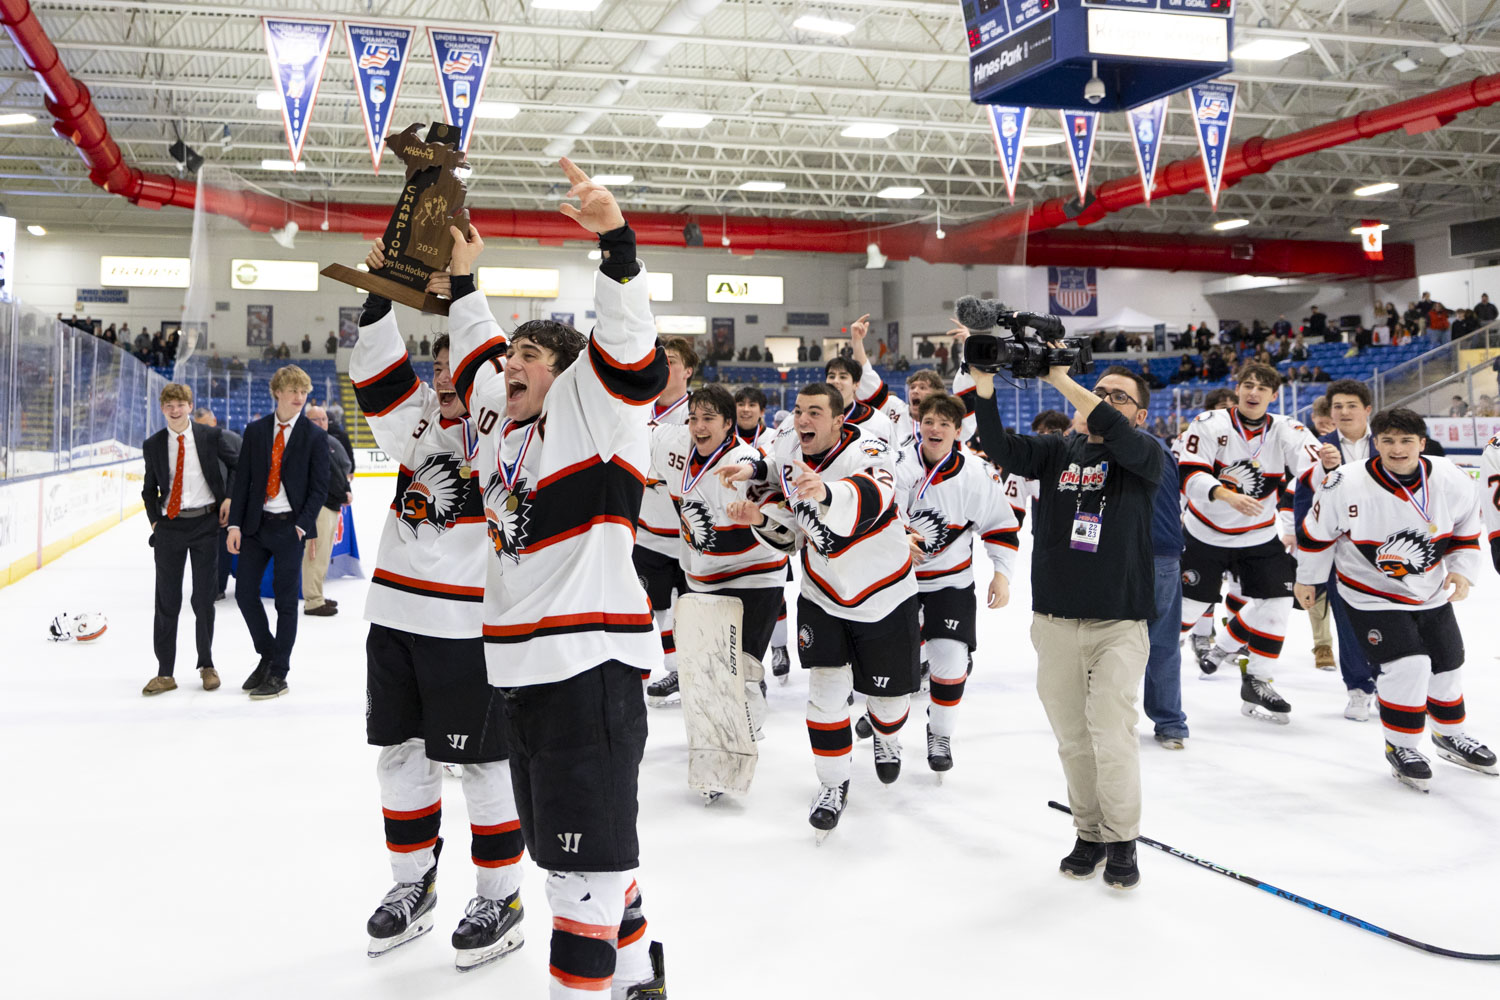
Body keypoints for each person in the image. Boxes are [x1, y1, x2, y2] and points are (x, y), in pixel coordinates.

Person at [446, 159, 667, 998]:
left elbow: (630, 348)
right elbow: (474, 350)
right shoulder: (502, 423)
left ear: (566, 368)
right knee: (584, 852)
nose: (512, 364)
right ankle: (643, 974)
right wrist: (468, 282)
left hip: (588, 669)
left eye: (530, 355)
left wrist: (615, 244)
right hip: (517, 677)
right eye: (514, 356)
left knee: (579, 877)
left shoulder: (596, 409)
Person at [348, 257, 528, 970]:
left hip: (467, 629)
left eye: (462, 363)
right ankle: (411, 886)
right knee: (401, 756)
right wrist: (376, 302)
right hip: (394, 616)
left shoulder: (508, 439)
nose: (448, 374)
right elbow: (381, 383)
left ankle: (500, 895)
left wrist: (466, 287)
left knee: (485, 765)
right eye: (440, 361)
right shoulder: (420, 419)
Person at [970, 360, 1161, 890]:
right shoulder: (1057, 452)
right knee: (1073, 739)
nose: (1098, 401)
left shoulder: (1145, 456)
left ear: (1140, 415)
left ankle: (1122, 838)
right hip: (1054, 621)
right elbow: (997, 444)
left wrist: (1059, 378)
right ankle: (1089, 833)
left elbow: (1115, 429)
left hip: (1118, 623)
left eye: (1116, 397)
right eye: (1096, 392)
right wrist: (984, 381)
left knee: (1111, 734)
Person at [719, 382, 919, 837]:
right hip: (822, 592)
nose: (802, 420)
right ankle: (832, 785)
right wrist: (757, 506)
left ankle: (887, 738)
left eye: (814, 412)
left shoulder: (868, 445)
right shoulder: (790, 438)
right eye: (798, 411)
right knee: (826, 693)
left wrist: (828, 494)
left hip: (883, 592)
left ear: (838, 419)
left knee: (889, 706)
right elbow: (770, 471)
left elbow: (876, 493)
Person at [1296, 409, 1492, 790]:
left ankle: (1449, 735)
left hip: (1429, 591)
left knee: (1448, 661)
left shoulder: (1450, 478)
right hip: (1370, 593)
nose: (1397, 449)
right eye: (1387, 441)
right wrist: (1309, 579)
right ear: (1375, 444)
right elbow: (1317, 535)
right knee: (1408, 666)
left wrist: (1462, 569)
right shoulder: (1344, 483)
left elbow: (1468, 529)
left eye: (1406, 441)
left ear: (1422, 444)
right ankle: (1401, 746)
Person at [647, 383, 788, 793]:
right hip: (702, 579)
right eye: (693, 417)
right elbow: (637, 436)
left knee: (740, 673)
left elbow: (780, 504)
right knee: (707, 675)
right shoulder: (673, 444)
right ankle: (718, 744)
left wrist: (758, 514)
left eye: (709, 418)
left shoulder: (741, 459)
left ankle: (737, 743)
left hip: (754, 576)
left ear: (729, 424)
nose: (698, 426)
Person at [1174, 363, 1319, 723]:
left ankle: (1256, 680)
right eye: (1248, 385)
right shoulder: (1210, 423)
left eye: (1262, 388)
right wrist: (1224, 495)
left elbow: (1311, 466)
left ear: (1274, 395)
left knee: (1278, 600)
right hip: (1205, 531)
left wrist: (1325, 461)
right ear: (1237, 389)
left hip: (1258, 535)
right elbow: (1189, 473)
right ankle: (1146, 663)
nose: (1254, 393)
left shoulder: (1288, 429)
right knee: (1189, 609)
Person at [889, 392, 1018, 771]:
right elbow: (869, 513)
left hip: (950, 582)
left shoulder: (977, 474)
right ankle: (887, 736)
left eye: (945, 423)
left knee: (951, 661)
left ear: (958, 431)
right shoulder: (894, 465)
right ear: (919, 425)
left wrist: (1002, 574)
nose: (935, 428)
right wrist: (896, 539)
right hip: (895, 583)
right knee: (893, 664)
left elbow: (1000, 525)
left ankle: (940, 732)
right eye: (929, 421)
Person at [227, 364, 331, 700]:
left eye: (303, 392)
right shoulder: (256, 431)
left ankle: (279, 672)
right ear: (278, 393)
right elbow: (242, 482)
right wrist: (235, 525)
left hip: (290, 529)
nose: (299, 398)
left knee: (287, 604)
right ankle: (268, 654)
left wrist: (302, 526)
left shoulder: (314, 436)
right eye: (293, 391)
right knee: (244, 593)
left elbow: (319, 487)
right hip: (256, 527)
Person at [140, 384, 238, 696]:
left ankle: (206, 665)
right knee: (167, 601)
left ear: (190, 405)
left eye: (180, 403)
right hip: (169, 527)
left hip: (206, 525)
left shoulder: (209, 436)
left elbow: (238, 467)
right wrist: (155, 521)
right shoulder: (153, 444)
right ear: (162, 408)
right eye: (169, 404)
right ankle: (165, 673)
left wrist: (229, 499)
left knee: (202, 598)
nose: (175, 409)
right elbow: (149, 488)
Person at [1293, 380, 1378, 714]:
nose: (1344, 412)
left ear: (1367, 409)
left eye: (1351, 405)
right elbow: (1303, 500)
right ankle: (1358, 687)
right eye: (1338, 406)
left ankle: (1390, 684)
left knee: (1395, 621)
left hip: (1388, 550)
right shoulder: (1316, 448)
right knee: (1347, 621)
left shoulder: (1390, 440)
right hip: (1341, 552)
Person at [639, 337, 697, 704]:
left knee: (693, 610)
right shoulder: (637, 407)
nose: (664, 366)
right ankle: (675, 671)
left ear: (688, 371)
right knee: (654, 605)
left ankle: (709, 671)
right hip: (646, 532)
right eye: (660, 359)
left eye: (672, 360)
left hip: (691, 535)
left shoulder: (700, 412)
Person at [1144, 410, 1189, 750]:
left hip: (1155, 554)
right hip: (1156, 553)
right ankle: (1170, 722)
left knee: (1159, 643)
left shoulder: (1148, 447)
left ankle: (1170, 721)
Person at [300, 405, 352, 617]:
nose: (321, 423)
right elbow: (321, 480)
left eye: (323, 419)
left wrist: (345, 491)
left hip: (331, 506)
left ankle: (318, 595)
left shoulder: (326, 442)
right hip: (318, 507)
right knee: (314, 553)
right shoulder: (305, 444)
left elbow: (339, 472)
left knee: (323, 555)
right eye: (315, 419)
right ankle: (313, 601)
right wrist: (340, 494)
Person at [193, 407, 241, 599]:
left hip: (227, 503)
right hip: (202, 504)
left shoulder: (232, 440)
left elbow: (241, 469)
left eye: (204, 425)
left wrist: (231, 498)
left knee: (223, 546)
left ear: (214, 422)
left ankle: (218, 587)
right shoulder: (192, 443)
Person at [820, 351, 894, 445]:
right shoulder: (810, 417)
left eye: (843, 377)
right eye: (831, 376)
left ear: (856, 384)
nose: (836, 381)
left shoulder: (878, 422)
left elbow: (895, 457)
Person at [732, 386, 774, 450]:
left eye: (752, 405)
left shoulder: (773, 438)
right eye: (741, 404)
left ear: (762, 412)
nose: (746, 409)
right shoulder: (724, 438)